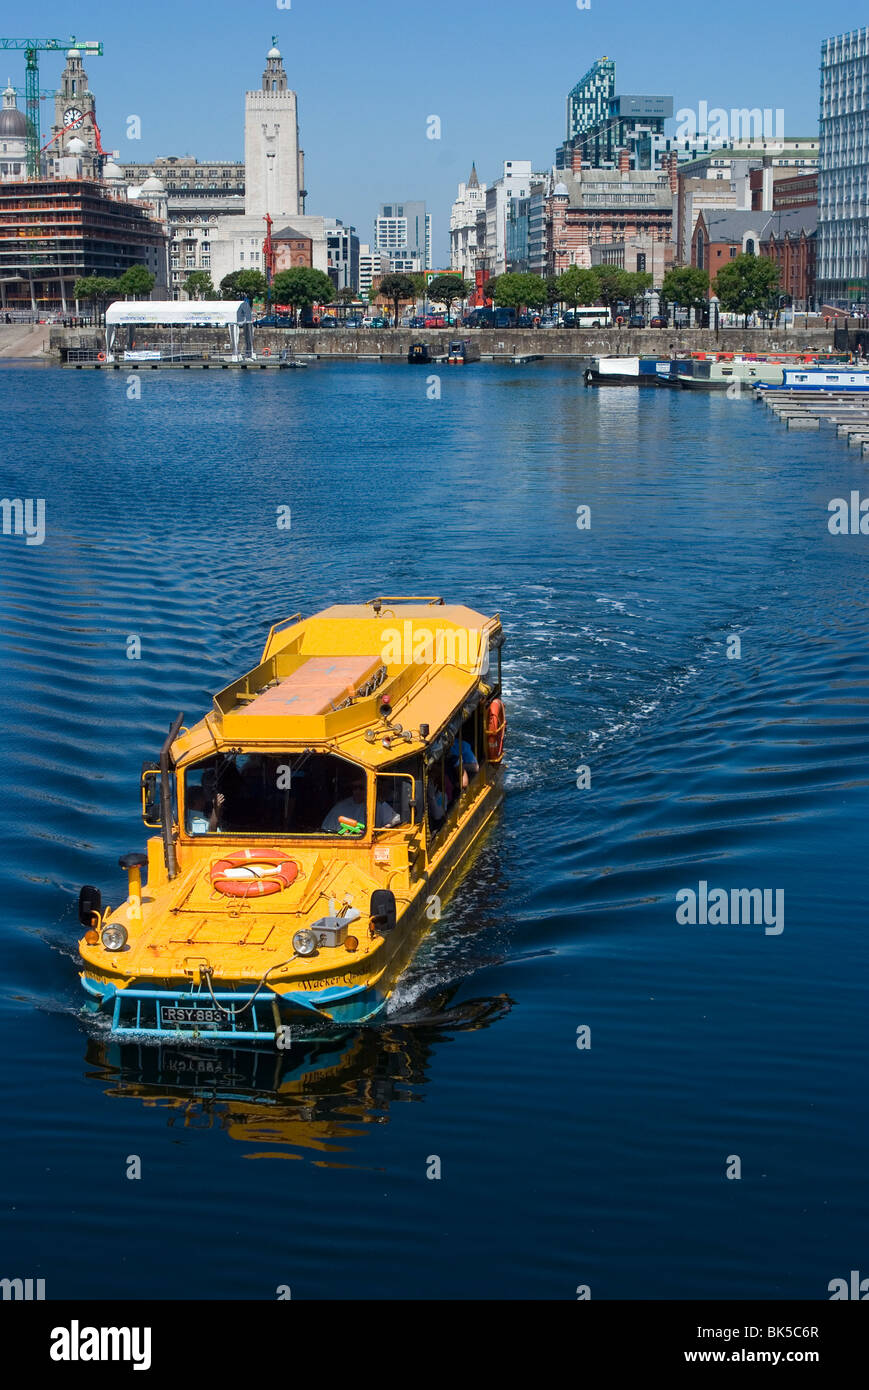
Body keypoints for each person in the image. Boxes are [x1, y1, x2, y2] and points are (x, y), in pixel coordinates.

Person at [321, 774, 397, 833]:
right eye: (354, 788)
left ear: (369, 787)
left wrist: (385, 828)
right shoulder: (340, 807)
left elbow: (396, 820)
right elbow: (326, 830)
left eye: (361, 788)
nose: (357, 791)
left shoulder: (379, 805)